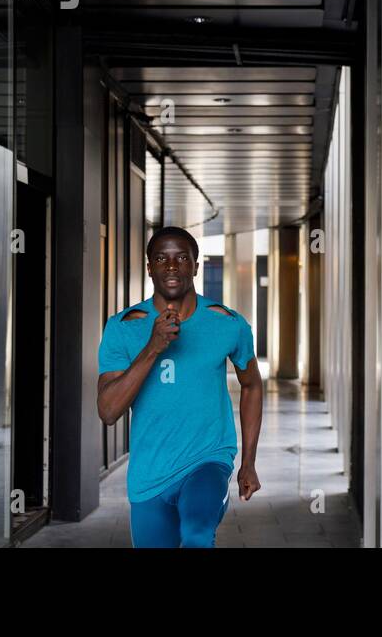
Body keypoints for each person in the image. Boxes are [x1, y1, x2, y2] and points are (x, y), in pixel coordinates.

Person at [96, 225, 264, 547]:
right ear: (149, 268)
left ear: (195, 267)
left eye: (181, 258)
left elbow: (252, 385)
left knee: (197, 535)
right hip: (149, 473)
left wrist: (248, 462)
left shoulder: (228, 324)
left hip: (207, 460)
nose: (171, 266)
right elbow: (107, 410)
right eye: (161, 258)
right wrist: (152, 347)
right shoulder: (122, 328)